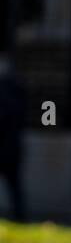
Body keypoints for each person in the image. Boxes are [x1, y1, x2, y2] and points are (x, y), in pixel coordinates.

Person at [0, 55, 26, 222]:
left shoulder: (7, 91)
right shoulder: (18, 89)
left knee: (14, 185)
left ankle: (19, 217)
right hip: (13, 146)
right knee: (14, 186)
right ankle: (19, 217)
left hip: (7, 145)